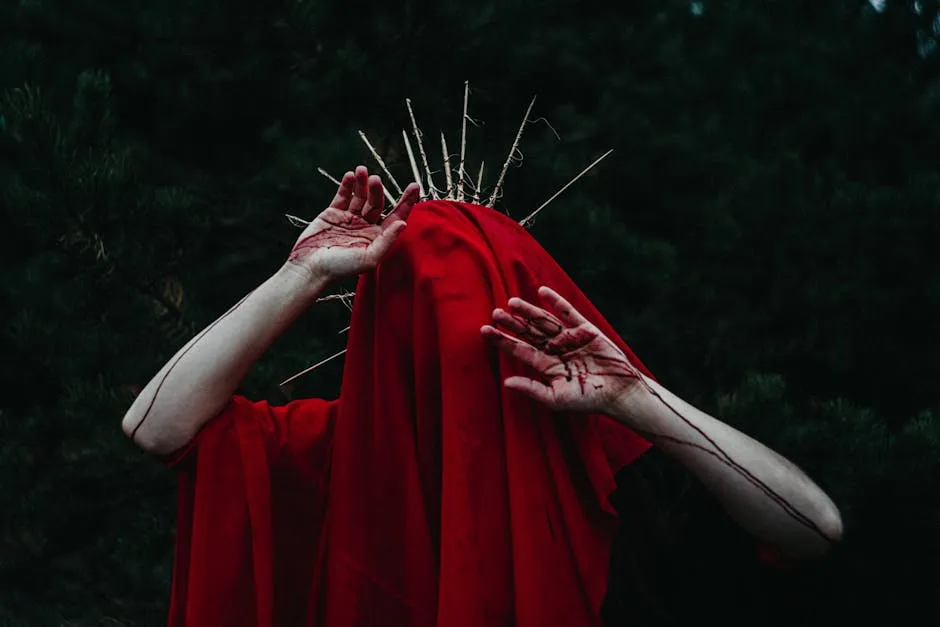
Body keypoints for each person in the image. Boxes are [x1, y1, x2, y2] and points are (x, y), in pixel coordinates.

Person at [122, 166, 842, 627]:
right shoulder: (338, 454)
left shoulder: (616, 483)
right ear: (381, 339)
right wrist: (301, 275)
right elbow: (156, 425)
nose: (454, 366)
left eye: (480, 330)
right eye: (417, 325)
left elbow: (813, 527)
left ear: (531, 320)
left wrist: (637, 398)